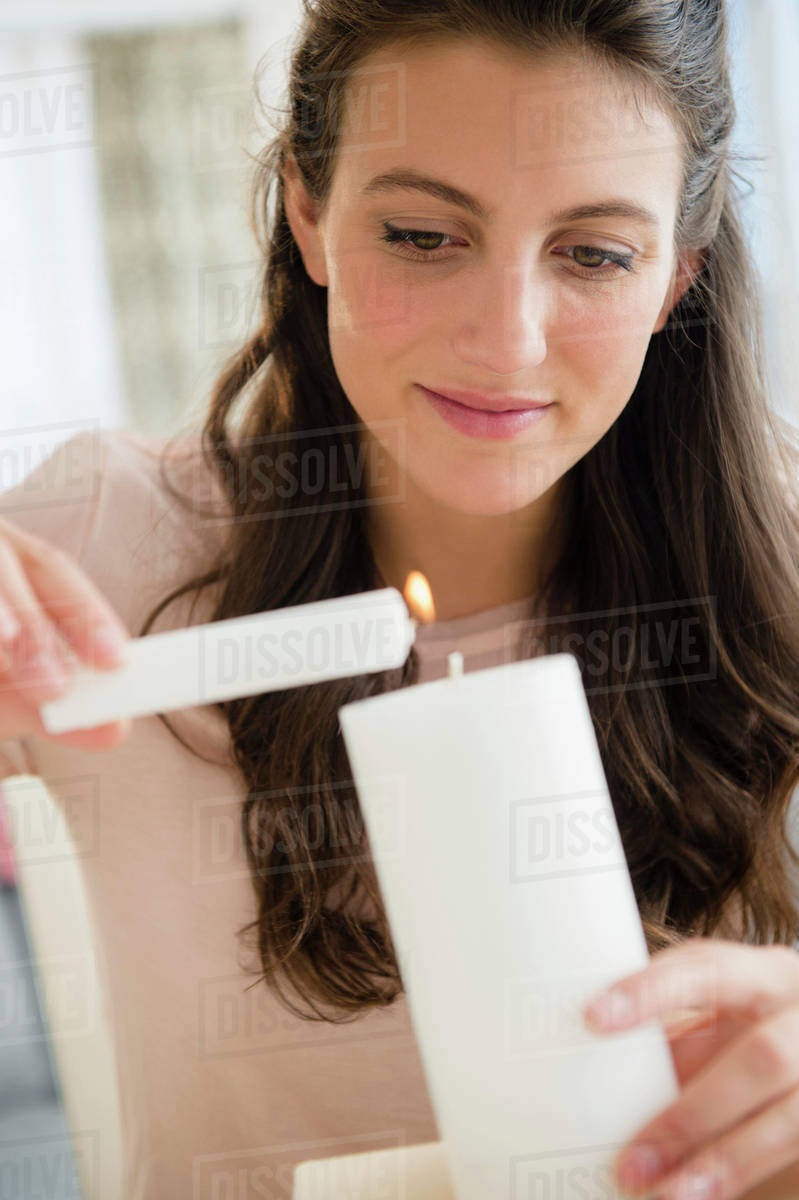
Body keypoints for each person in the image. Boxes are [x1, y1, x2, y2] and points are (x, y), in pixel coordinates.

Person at [1, 1, 799, 1196]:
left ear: (676, 278)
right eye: (424, 235)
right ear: (308, 214)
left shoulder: (781, 556)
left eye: (593, 254)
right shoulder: (106, 548)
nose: (506, 343)